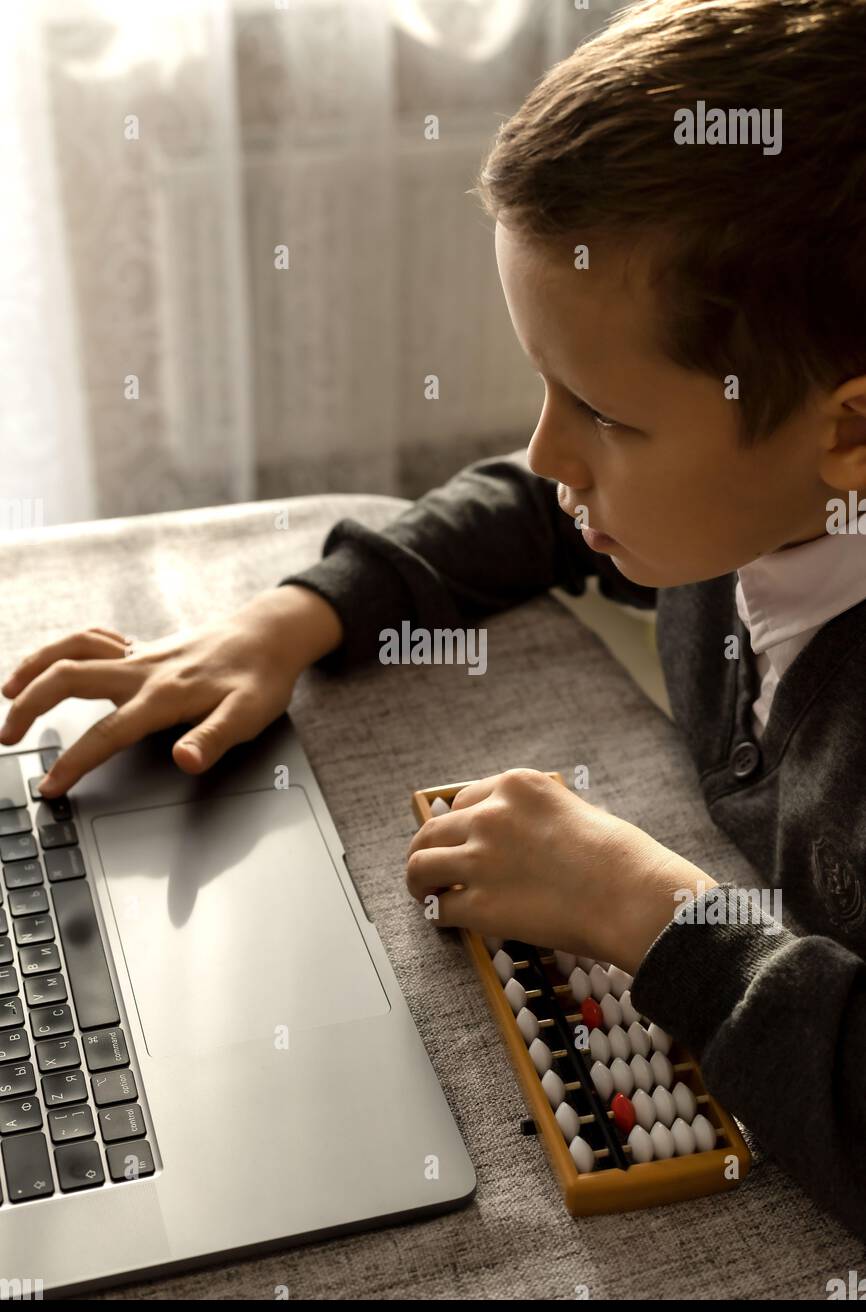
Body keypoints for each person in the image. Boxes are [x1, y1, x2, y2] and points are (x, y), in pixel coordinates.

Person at [3, 0, 866, 1237]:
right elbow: (530, 503)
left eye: (604, 415)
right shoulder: (740, 500)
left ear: (844, 431)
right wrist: (299, 613)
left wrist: (655, 909)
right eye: (542, 385)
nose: (543, 448)